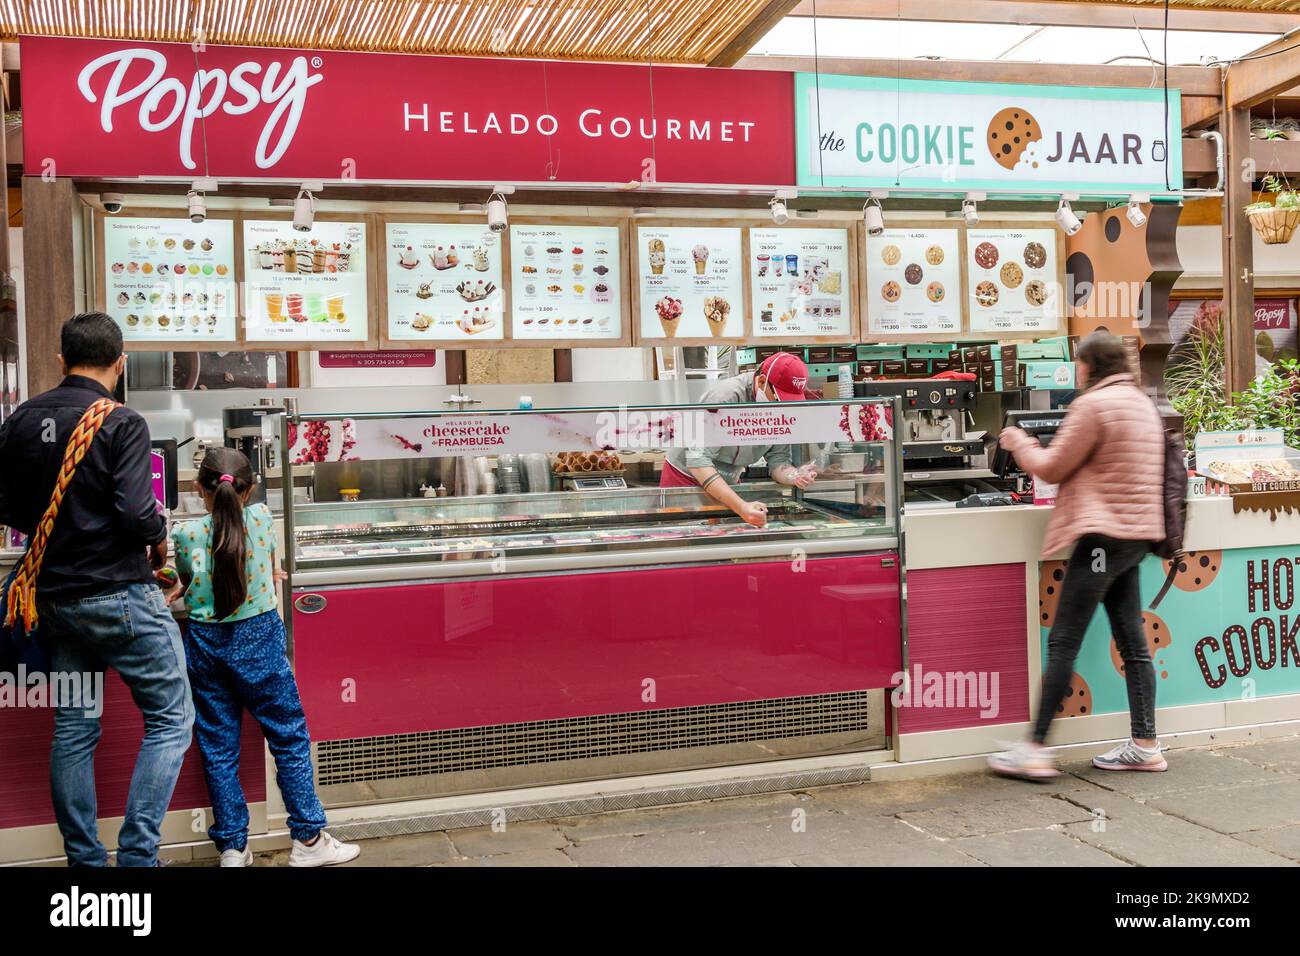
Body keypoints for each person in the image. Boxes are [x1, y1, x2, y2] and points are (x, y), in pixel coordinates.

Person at [0, 312, 193, 866]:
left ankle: (86, 865)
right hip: (118, 597)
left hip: (54, 603)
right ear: (121, 361)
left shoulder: (20, 419)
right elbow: (137, 512)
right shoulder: (121, 422)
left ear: (61, 360)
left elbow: (7, 505)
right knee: (172, 718)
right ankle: (137, 858)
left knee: (75, 728)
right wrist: (159, 531)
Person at [989, 330, 1168, 780]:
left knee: (1064, 639)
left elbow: (1052, 467)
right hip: (1134, 538)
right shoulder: (1142, 404)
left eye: (1079, 364)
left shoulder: (1092, 405)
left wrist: (1019, 443)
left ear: (1087, 366)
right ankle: (1145, 744)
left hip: (1101, 541)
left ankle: (1035, 748)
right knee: (1133, 643)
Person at [169, 447, 359, 867]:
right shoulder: (260, 520)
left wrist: (186, 588)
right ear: (250, 488)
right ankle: (308, 840)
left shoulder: (185, 534)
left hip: (206, 643)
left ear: (199, 488)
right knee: (288, 737)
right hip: (258, 639)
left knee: (218, 746)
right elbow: (257, 560)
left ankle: (233, 848)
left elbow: (188, 578)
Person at [661, 352, 816, 527]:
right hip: (687, 476)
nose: (783, 407)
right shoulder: (725, 397)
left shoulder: (781, 410)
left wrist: (794, 476)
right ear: (762, 381)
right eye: (780, 399)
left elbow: (778, 461)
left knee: (724, 539)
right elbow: (698, 462)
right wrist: (741, 507)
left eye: (790, 402)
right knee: (686, 541)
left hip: (728, 481)